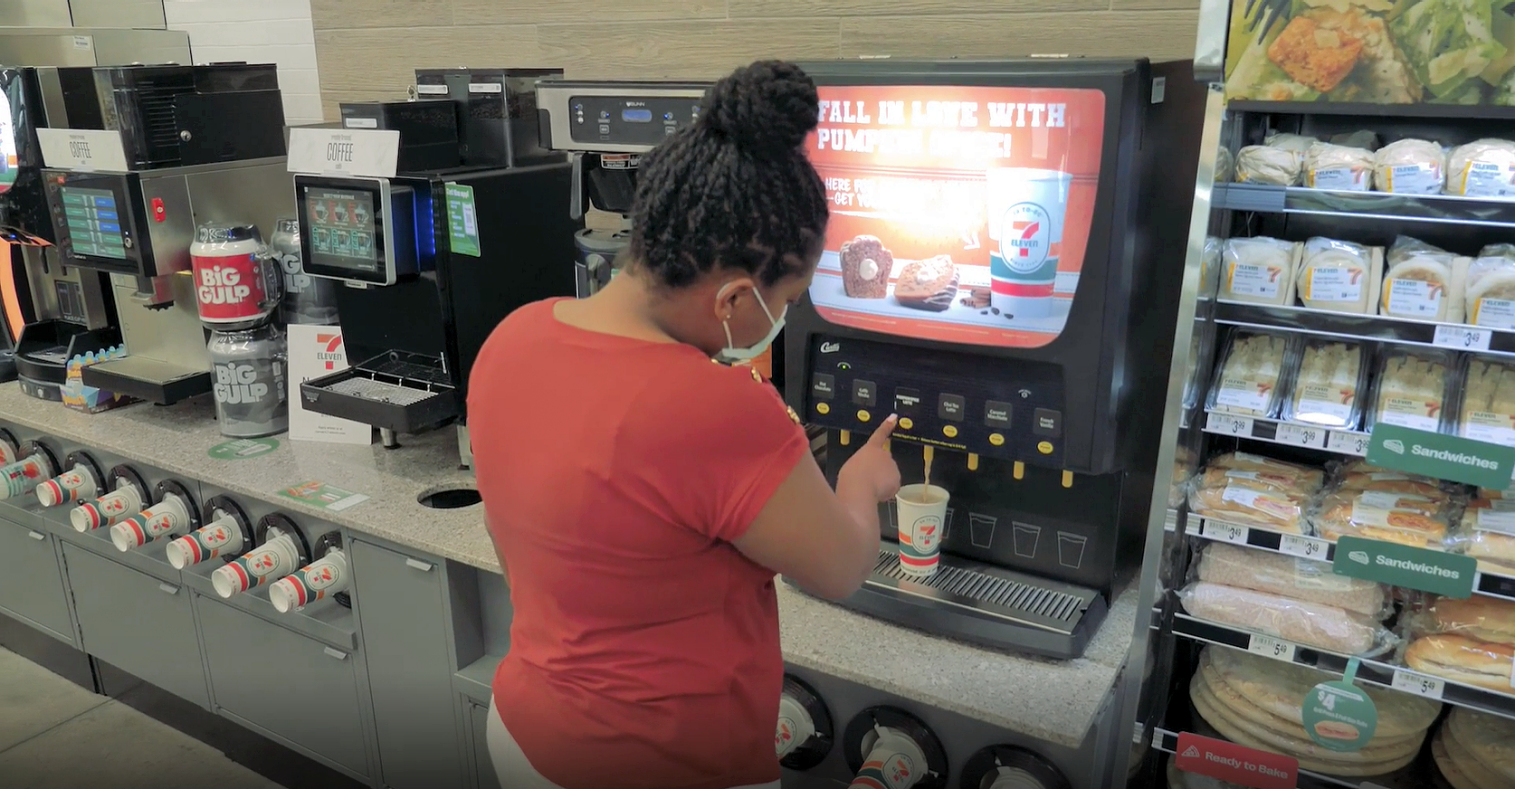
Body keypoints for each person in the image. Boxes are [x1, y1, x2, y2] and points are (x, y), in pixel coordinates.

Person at [466, 60, 902, 789]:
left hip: (524, 733)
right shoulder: (718, 408)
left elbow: (516, 540)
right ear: (734, 299)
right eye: (787, 296)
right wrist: (860, 482)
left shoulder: (513, 335)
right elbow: (840, 569)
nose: (784, 314)